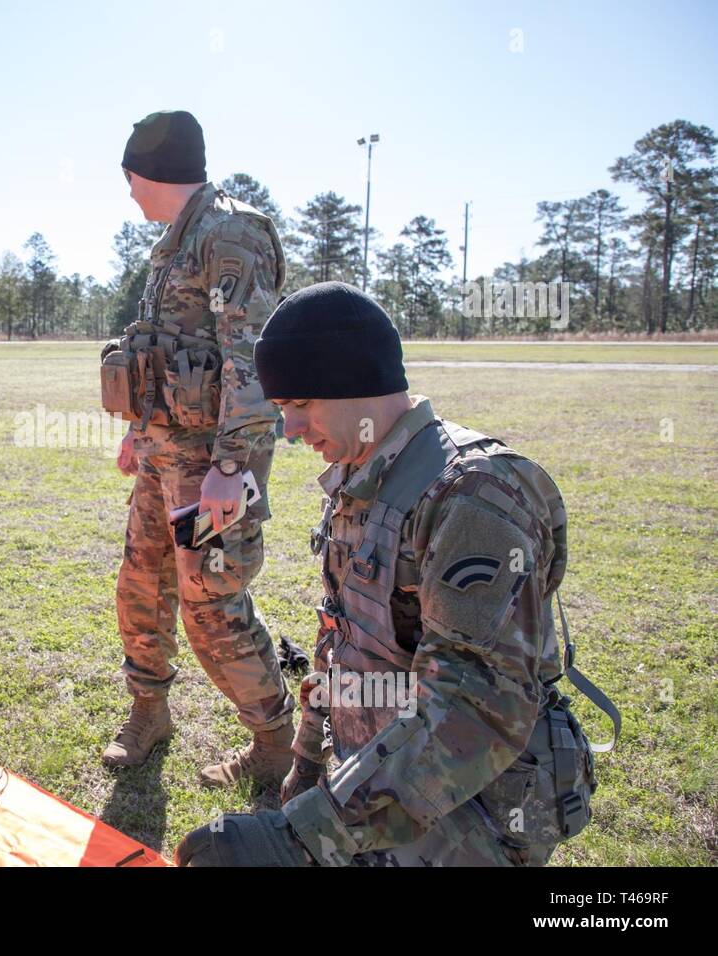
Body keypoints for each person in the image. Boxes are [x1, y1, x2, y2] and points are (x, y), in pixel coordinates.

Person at [175, 282, 615, 866]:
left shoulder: (474, 496)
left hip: (474, 802)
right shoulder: (363, 477)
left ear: (354, 383)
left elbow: (474, 708)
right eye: (283, 411)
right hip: (388, 778)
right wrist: (307, 770)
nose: (291, 430)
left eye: (300, 406)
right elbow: (341, 641)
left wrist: (306, 835)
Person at [98, 110, 295, 789]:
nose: (128, 195)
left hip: (213, 470)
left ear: (145, 174)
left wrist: (231, 468)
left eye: (128, 181)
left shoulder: (229, 235)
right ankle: (148, 711)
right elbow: (161, 352)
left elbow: (253, 359)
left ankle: (274, 740)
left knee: (210, 600)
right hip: (162, 458)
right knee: (140, 584)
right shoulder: (173, 246)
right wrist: (136, 430)